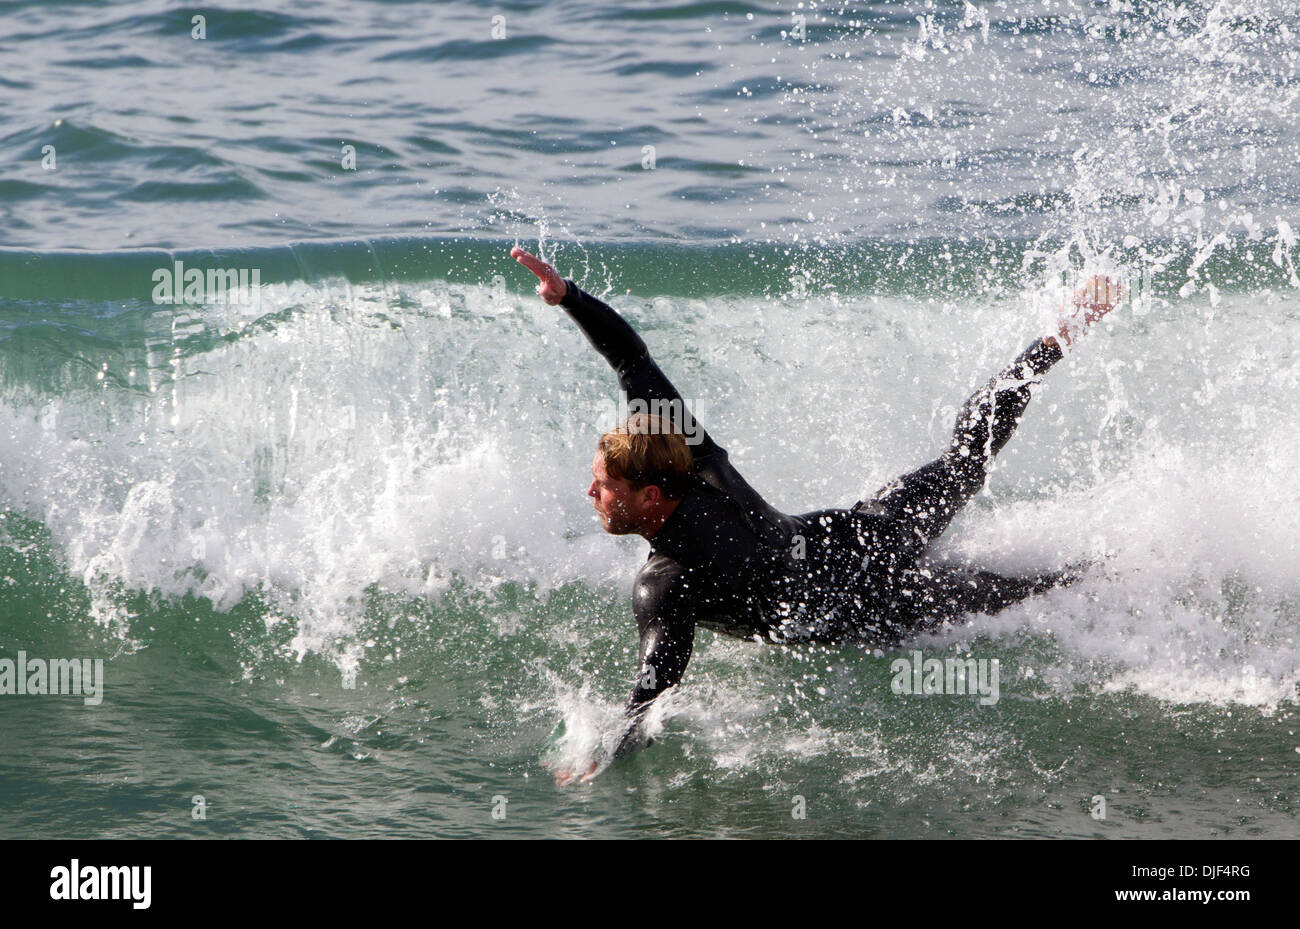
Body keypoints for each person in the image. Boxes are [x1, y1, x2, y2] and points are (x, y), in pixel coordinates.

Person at [511, 246, 1121, 784]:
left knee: (1016, 572)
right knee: (977, 486)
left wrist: (599, 754)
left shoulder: (665, 583)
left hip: (869, 599)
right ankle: (1065, 347)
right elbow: (631, 364)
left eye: (603, 486)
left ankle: (1062, 347)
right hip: (859, 532)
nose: (591, 496)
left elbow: (650, 697)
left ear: (650, 497)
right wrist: (569, 297)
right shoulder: (699, 459)